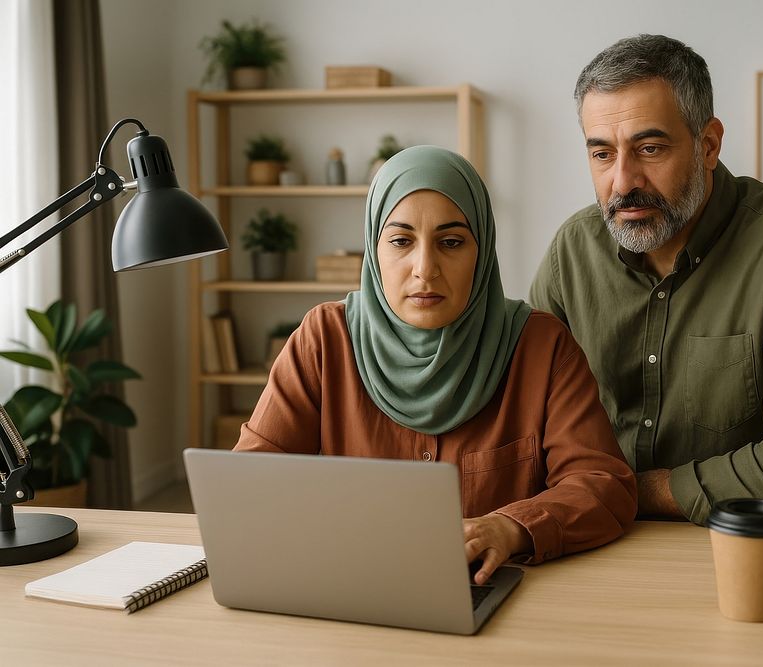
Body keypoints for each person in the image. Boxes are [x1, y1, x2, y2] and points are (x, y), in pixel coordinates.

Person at [236, 145, 638, 584]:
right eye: (401, 241)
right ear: (373, 248)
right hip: (350, 587)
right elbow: (250, 481)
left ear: (481, 252)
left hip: (494, 596)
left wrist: (511, 527)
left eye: (451, 242)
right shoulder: (324, 340)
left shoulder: (541, 346)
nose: (425, 269)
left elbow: (602, 484)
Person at [530, 34, 763, 530]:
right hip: (614, 539)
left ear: (708, 144)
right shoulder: (573, 250)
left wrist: (624, 490)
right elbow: (525, 422)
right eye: (602, 154)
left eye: (650, 148)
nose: (623, 182)